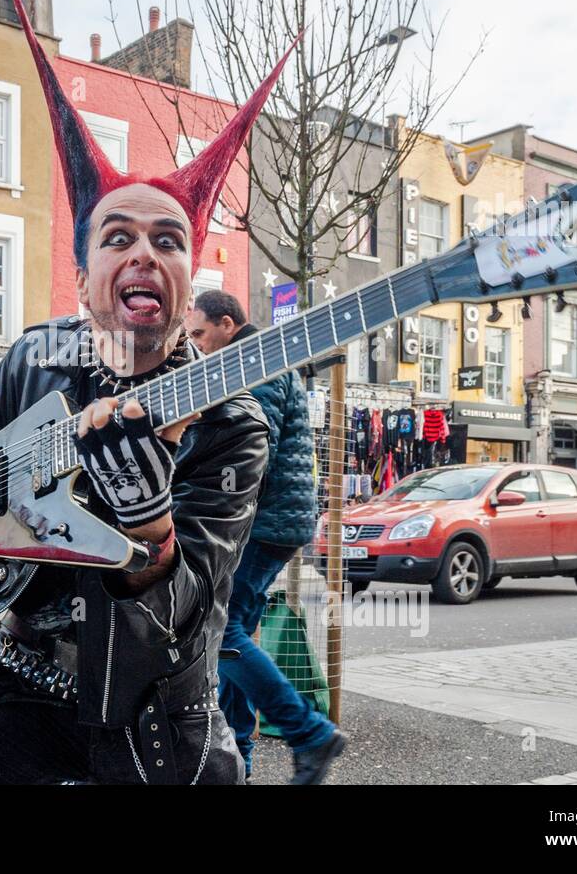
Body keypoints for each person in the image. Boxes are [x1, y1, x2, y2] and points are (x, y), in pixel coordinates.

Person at [0, 0, 279, 785]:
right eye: (119, 237)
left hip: (154, 717)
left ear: (189, 270)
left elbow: (185, 615)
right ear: (85, 272)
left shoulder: (234, 424)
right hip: (17, 687)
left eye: (169, 240)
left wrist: (148, 529)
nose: (144, 252)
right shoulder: (32, 356)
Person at [184, 290, 344, 783]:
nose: (196, 345)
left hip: (262, 523)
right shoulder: (260, 359)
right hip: (272, 521)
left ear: (227, 324)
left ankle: (309, 734)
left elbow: (254, 451)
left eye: (199, 334)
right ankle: (241, 762)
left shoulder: (257, 363)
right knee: (233, 637)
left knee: (219, 630)